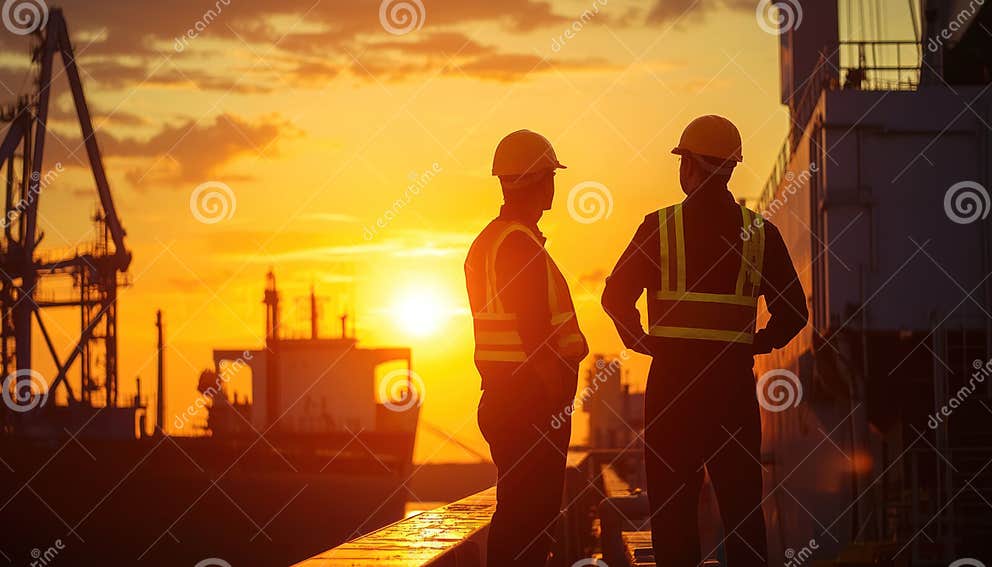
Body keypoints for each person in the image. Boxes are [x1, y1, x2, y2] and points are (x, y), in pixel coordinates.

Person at [601, 115, 808, 567]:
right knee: (741, 511)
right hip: (731, 391)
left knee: (673, 513)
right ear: (732, 168)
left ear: (689, 167)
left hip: (672, 392)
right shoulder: (760, 234)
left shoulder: (658, 227)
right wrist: (756, 343)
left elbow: (614, 297)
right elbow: (795, 313)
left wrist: (642, 341)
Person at [464, 129, 589, 566]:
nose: (553, 185)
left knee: (519, 515)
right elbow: (535, 334)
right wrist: (556, 395)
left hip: (507, 400)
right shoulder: (518, 245)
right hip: (530, 406)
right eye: (550, 176)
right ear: (539, 181)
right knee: (530, 520)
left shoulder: (490, 242)